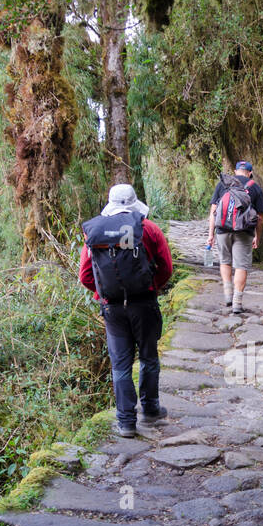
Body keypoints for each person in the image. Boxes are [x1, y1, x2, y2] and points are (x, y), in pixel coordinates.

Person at [78, 183, 174, 438]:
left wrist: (106, 294)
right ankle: (151, 410)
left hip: (113, 310)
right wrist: (151, 287)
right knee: (148, 357)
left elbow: (86, 276)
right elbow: (166, 268)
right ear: (134, 202)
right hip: (144, 303)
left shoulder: (95, 235)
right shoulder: (149, 229)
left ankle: (126, 422)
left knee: (120, 365)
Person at [207, 160, 263, 315]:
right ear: (250, 172)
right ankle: (237, 303)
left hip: (222, 230)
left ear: (235, 171)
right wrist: (257, 237)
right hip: (244, 232)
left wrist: (210, 235)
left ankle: (227, 293)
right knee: (241, 265)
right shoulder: (255, 188)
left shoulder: (223, 185)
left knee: (225, 261)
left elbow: (213, 211)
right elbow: (260, 218)